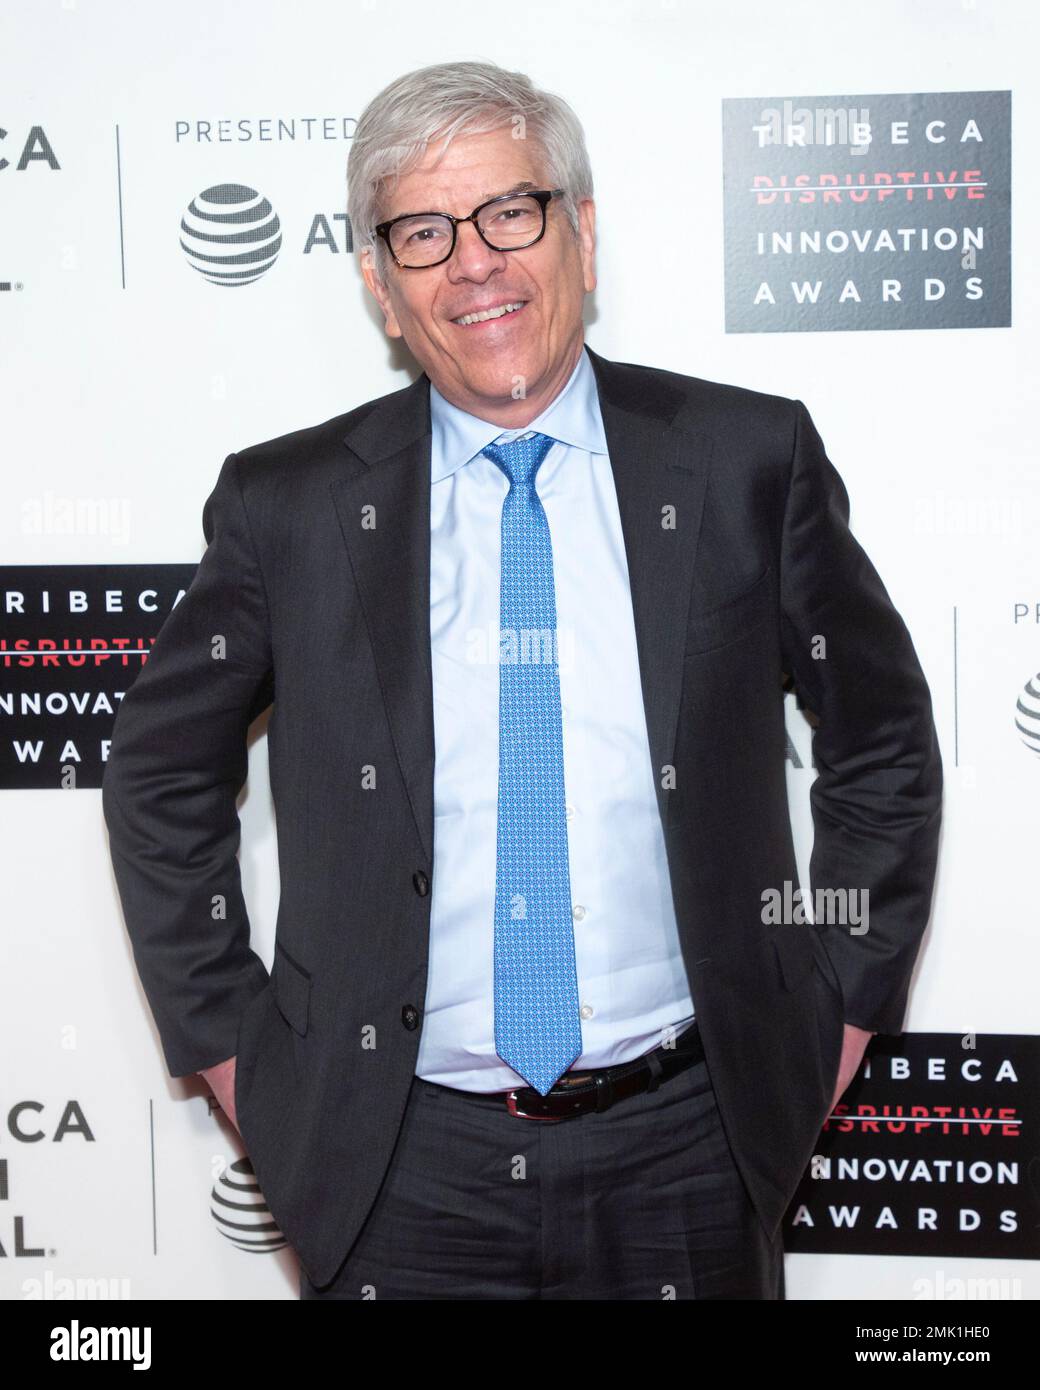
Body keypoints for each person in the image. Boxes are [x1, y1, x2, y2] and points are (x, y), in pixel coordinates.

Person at [102, 59, 943, 1300]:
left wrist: (830, 1007)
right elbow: (162, 774)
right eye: (423, 233)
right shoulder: (286, 508)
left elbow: (879, 743)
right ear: (384, 290)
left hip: (691, 1148)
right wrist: (240, 1059)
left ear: (581, 234)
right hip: (398, 1161)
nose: (473, 262)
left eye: (511, 212)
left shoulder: (742, 461)